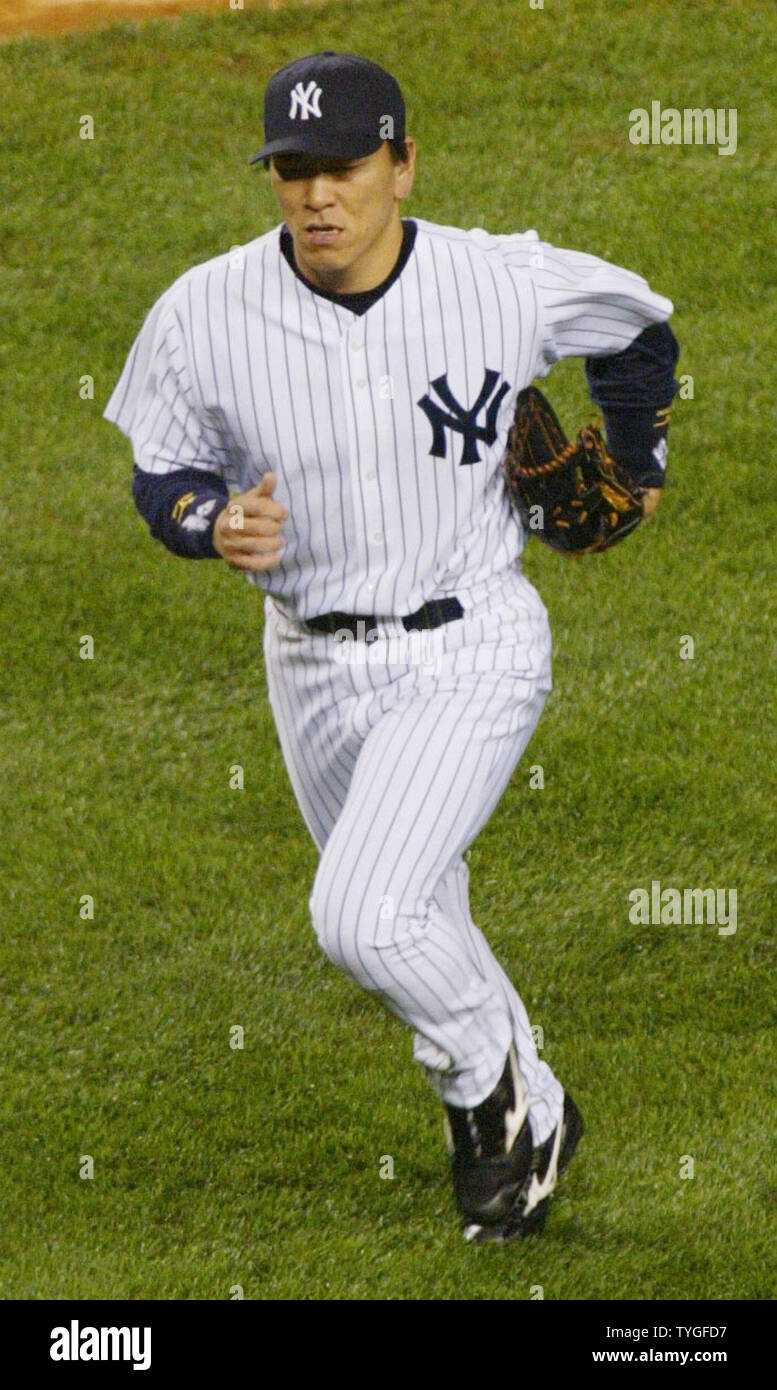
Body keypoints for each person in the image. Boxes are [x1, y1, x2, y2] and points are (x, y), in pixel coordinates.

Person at [104, 51, 679, 1244]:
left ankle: (488, 1096)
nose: (319, 196)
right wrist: (211, 522)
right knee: (420, 907)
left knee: (363, 915)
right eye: (294, 171)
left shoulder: (497, 283)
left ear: (403, 165)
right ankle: (539, 1112)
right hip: (308, 661)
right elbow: (160, 473)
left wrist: (640, 460)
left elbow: (639, 327)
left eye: (346, 168)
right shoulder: (203, 311)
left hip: (471, 641)